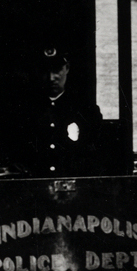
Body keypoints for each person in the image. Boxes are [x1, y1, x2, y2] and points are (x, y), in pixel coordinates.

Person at [21, 47, 103, 177]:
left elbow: (94, 157)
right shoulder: (24, 111)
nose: (51, 77)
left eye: (56, 69)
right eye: (45, 70)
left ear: (67, 68)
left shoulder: (86, 110)